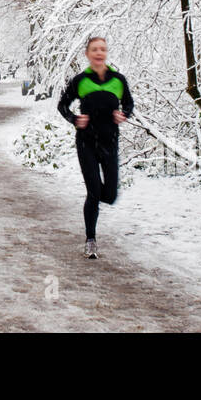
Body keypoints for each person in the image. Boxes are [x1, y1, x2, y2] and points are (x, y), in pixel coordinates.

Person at [56, 36, 133, 258]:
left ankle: (97, 197)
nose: (99, 53)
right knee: (93, 192)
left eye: (102, 49)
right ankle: (91, 240)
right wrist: (73, 118)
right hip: (86, 142)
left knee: (109, 195)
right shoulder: (80, 80)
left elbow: (129, 103)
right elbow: (62, 105)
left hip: (109, 141)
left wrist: (124, 114)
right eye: (94, 49)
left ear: (106, 53)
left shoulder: (118, 80)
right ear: (87, 54)